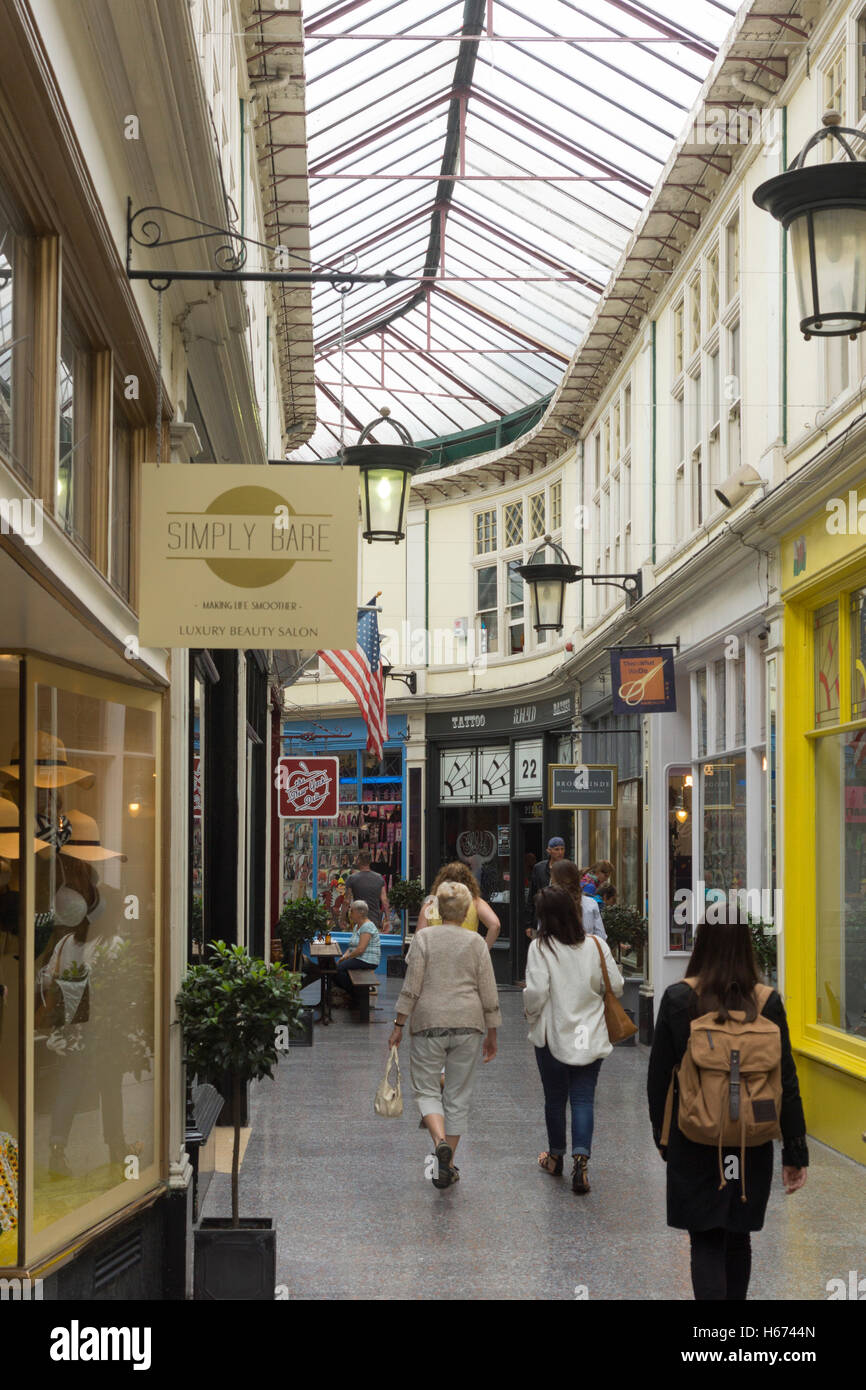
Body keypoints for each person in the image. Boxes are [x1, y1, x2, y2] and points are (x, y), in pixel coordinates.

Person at [647, 921, 808, 1301]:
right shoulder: (766, 1002)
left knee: (705, 1240)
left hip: (695, 1135)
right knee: (738, 1239)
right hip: (751, 1138)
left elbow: (659, 1081)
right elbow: (785, 1078)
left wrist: (664, 1140)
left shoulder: (678, 999)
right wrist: (795, 1151)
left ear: (701, 945)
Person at [389, 881, 500, 1189]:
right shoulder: (477, 943)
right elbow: (488, 990)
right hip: (468, 1023)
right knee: (458, 1095)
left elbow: (411, 986)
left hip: (429, 1022)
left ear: (436, 908)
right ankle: (447, 1164)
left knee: (426, 1089)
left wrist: (398, 1025)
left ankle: (439, 1141)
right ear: (467, 910)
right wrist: (493, 1031)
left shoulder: (423, 938)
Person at [524, 884, 623, 1195]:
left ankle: (556, 1157)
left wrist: (530, 1013)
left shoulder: (541, 948)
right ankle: (582, 1160)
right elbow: (617, 986)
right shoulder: (596, 946)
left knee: (555, 1099)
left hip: (553, 1033)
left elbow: (537, 993)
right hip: (589, 1033)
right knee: (583, 1098)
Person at [416, 861, 500, 950]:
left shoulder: (430, 903)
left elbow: (419, 937)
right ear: (468, 880)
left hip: (437, 956)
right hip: (466, 956)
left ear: (442, 880)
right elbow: (495, 925)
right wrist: (483, 952)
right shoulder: (476, 902)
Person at [521, 836, 566, 981]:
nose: (560, 852)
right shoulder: (539, 868)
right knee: (540, 951)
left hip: (560, 917)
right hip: (541, 917)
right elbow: (532, 896)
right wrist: (529, 923)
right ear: (549, 850)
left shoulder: (567, 868)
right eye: (557, 849)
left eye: (562, 849)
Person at [333, 900, 380, 1003]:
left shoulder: (367, 926)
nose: (350, 913)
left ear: (360, 913)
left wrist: (347, 958)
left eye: (352, 911)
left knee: (337, 970)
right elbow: (351, 947)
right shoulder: (357, 926)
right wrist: (344, 956)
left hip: (367, 960)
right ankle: (354, 993)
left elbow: (360, 949)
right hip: (359, 958)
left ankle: (356, 995)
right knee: (336, 968)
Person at [550, 859, 608, 940]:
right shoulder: (591, 903)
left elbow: (543, 938)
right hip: (587, 951)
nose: (606, 879)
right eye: (606, 875)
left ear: (554, 880)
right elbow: (601, 936)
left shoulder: (548, 904)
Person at [339, 849, 389, 930]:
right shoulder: (379, 878)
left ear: (358, 861)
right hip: (374, 920)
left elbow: (346, 901)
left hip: (358, 919)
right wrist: (388, 920)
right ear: (370, 861)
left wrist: (342, 919)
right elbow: (385, 901)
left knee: (359, 941)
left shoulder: (352, 878)